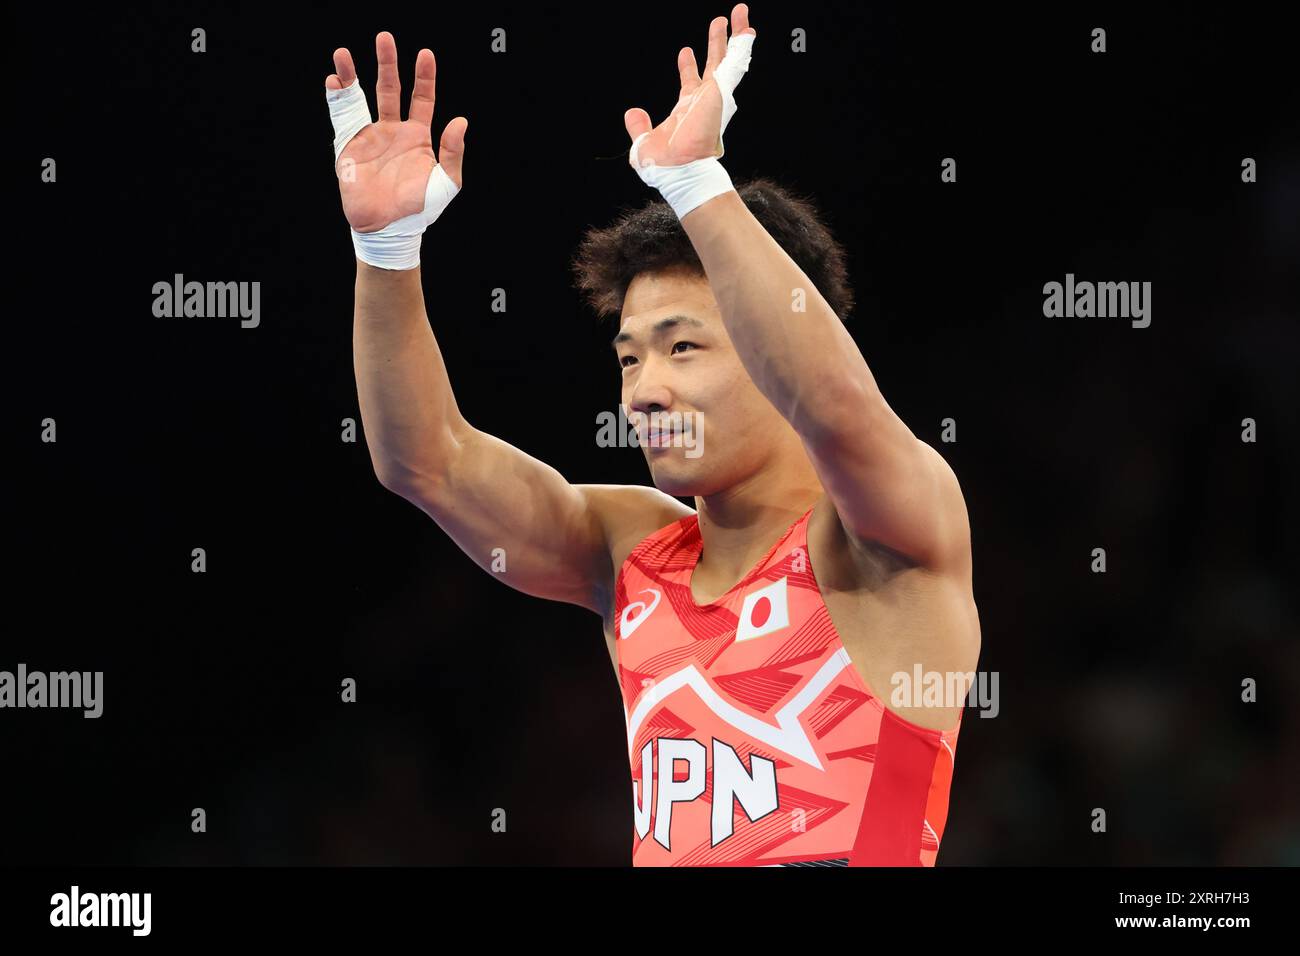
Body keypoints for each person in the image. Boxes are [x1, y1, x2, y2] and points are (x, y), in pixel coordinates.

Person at [324, 3, 980, 866]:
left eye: (682, 346)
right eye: (630, 359)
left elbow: (837, 408)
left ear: (763, 338)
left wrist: (701, 185)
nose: (644, 390)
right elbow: (426, 464)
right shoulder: (628, 551)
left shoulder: (885, 542)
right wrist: (386, 250)